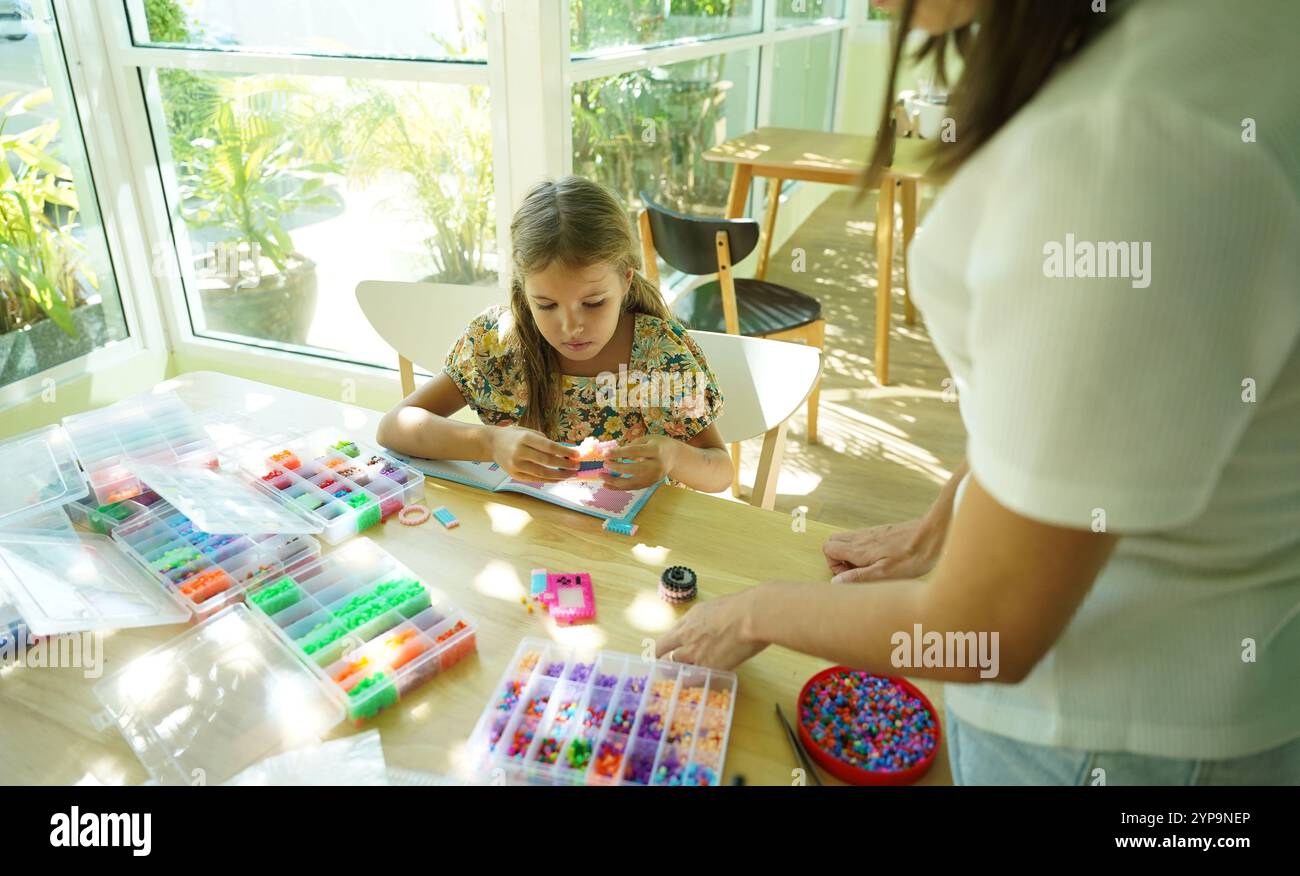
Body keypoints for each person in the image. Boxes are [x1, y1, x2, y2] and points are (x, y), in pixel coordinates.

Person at [657, 0, 1300, 784]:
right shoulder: (1208, 45)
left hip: (1111, 741)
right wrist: (950, 520)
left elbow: (988, 627)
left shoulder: (1127, 154)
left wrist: (756, 609)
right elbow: (1090, 401)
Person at [377, 176, 732, 494]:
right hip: (537, 534)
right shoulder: (499, 344)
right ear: (523, 287)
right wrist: (490, 442)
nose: (570, 326)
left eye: (593, 303)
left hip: (635, 534)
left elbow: (720, 470)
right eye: (546, 305)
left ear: (625, 280)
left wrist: (673, 456)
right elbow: (395, 426)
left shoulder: (658, 353)